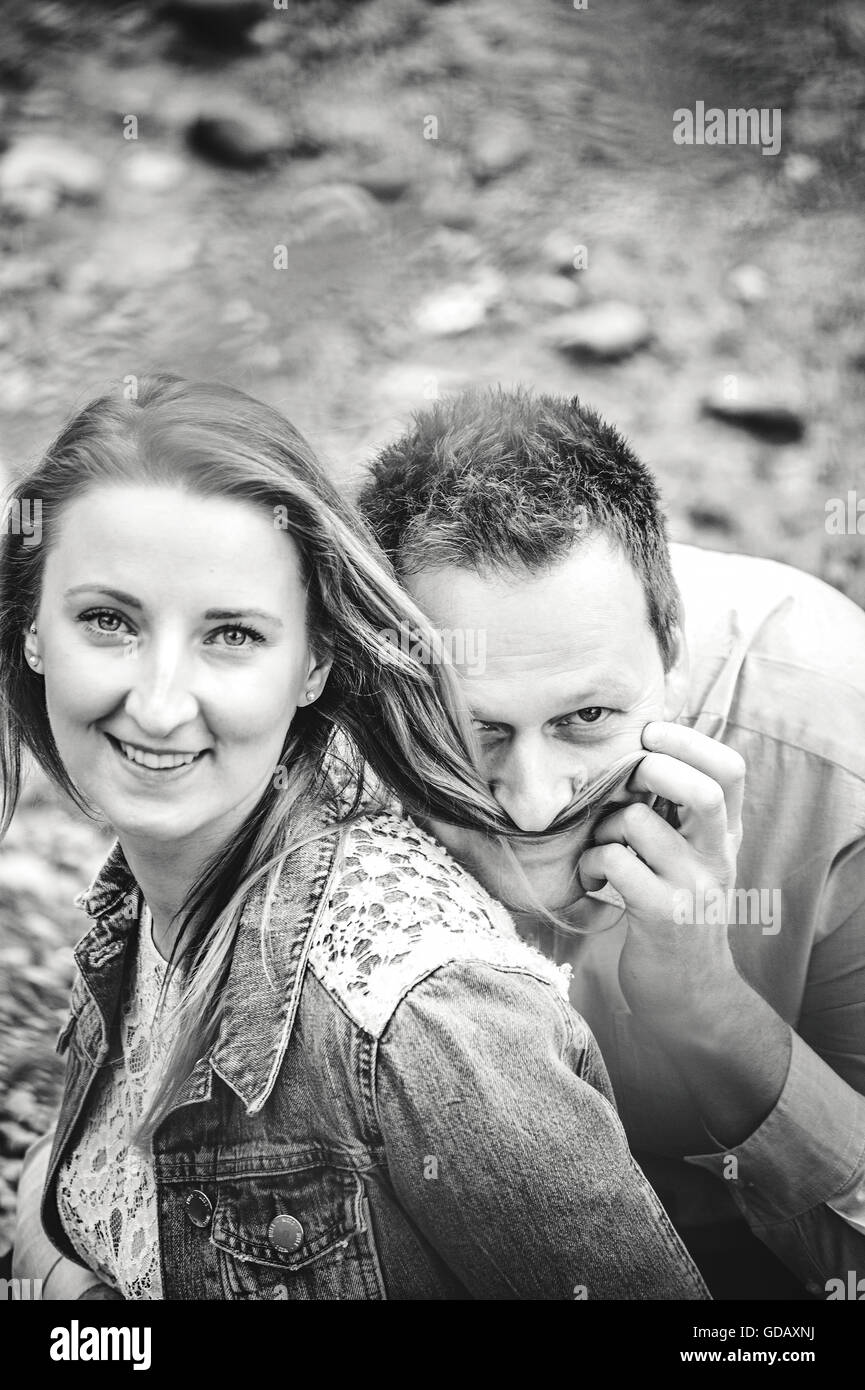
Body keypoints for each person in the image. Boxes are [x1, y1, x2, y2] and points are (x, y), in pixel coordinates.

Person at [4, 374, 707, 1301]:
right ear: (32, 633)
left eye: (232, 634)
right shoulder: (157, 880)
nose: (162, 703)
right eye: (108, 620)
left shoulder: (425, 1018)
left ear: (316, 663)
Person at [359, 385, 865, 1300]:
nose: (529, 801)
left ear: (668, 647)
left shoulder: (836, 753)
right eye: (474, 731)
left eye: (587, 716)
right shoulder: (316, 743)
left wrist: (706, 1004)